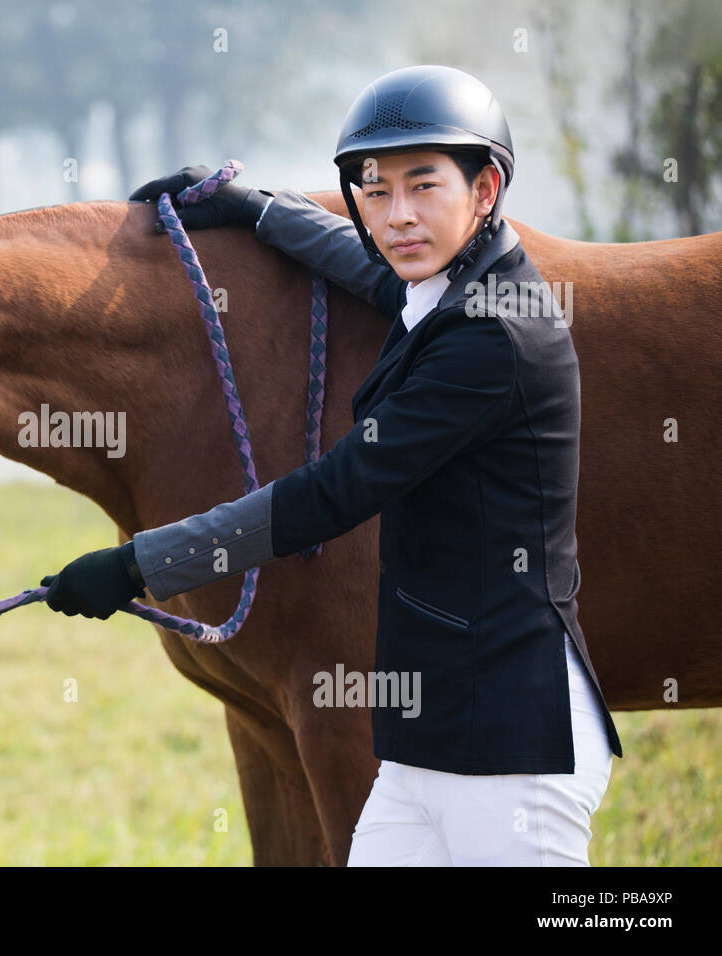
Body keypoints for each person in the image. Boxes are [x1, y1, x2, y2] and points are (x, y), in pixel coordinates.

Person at [39, 64, 623, 866]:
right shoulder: (458, 288)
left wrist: (137, 564)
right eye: (375, 192)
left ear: (485, 190)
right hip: (426, 739)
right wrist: (256, 207)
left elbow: (334, 492)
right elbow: (368, 265)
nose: (398, 216)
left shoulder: (496, 338)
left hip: (510, 743)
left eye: (423, 187)